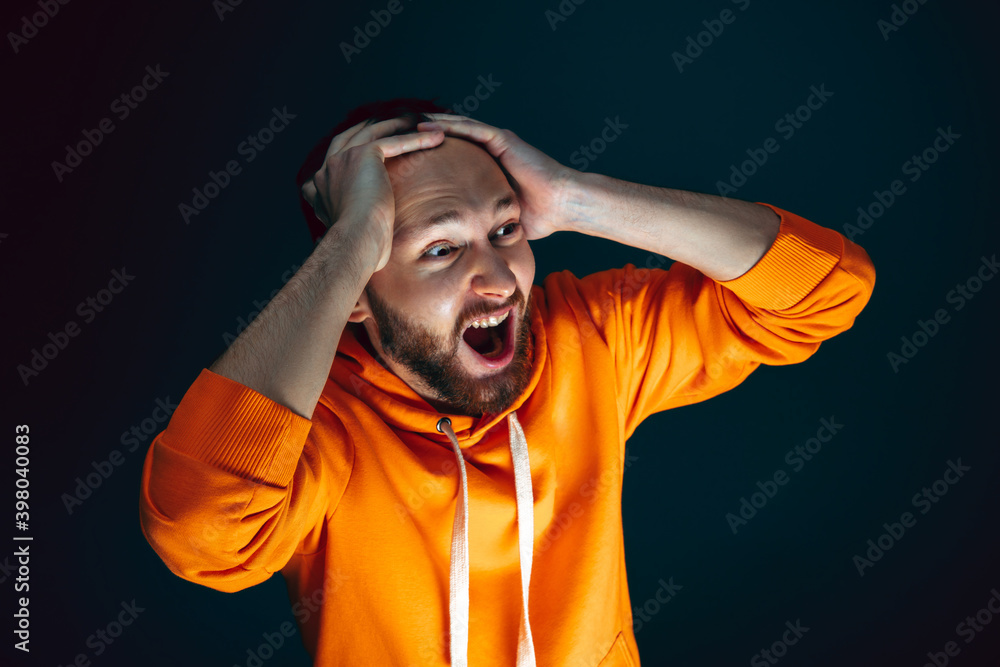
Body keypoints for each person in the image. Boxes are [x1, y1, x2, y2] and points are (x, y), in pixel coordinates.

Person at [138, 98, 876, 666]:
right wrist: (351, 239)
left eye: (505, 230)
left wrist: (578, 196)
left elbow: (826, 291)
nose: (495, 278)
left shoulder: (591, 336)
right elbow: (201, 535)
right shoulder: (315, 423)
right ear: (356, 289)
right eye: (439, 248)